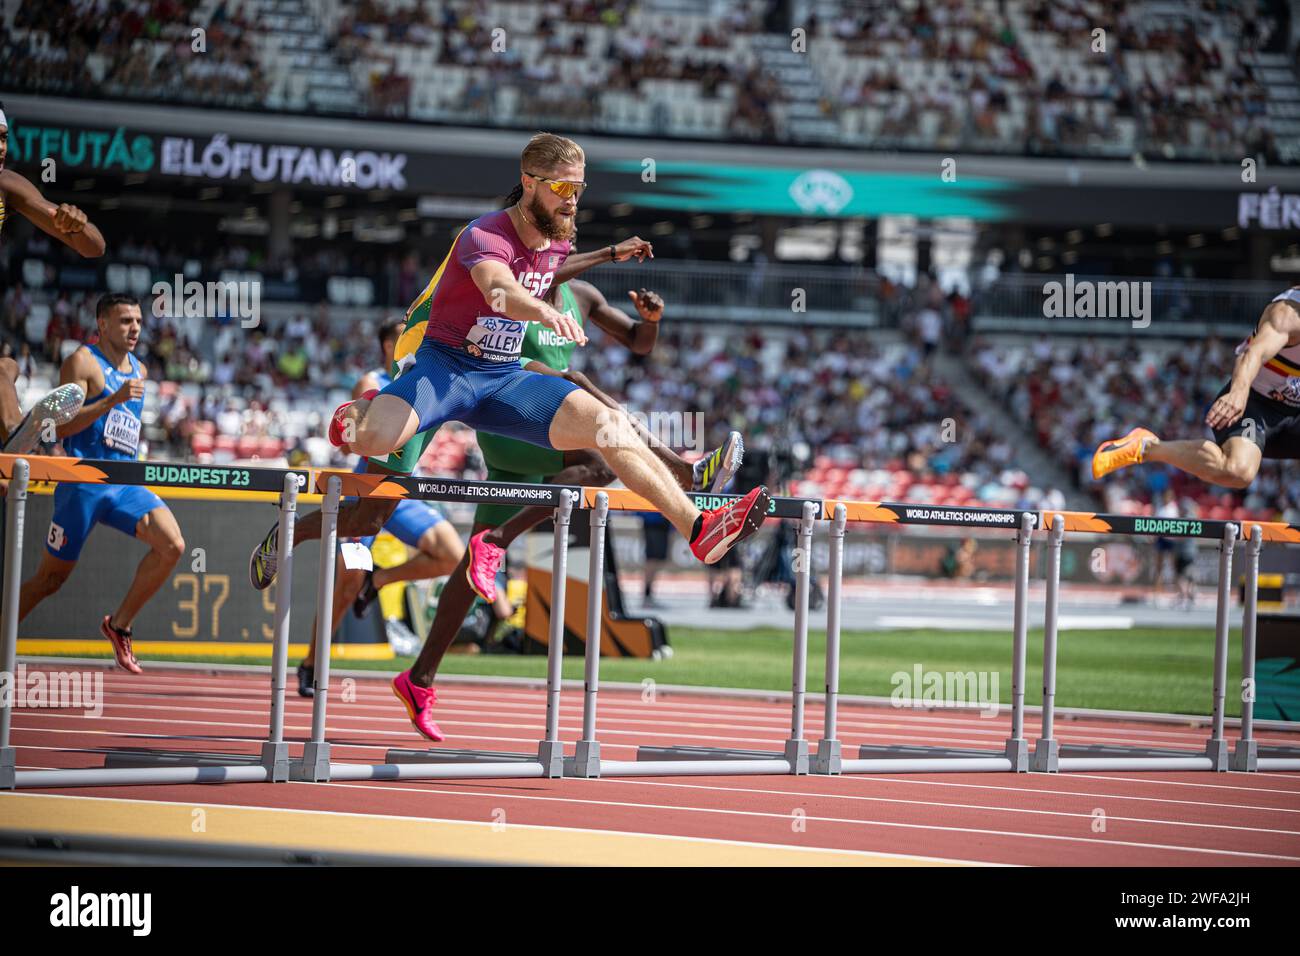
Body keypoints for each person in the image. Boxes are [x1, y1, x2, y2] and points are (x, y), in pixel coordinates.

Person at [327, 133, 769, 739]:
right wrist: (544, 312)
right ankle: (357, 415)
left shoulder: (558, 242)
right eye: (562, 189)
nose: (572, 201)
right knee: (376, 441)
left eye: (579, 190)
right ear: (529, 181)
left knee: (611, 426)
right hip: (446, 369)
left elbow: (561, 271)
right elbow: (502, 290)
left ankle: (698, 526)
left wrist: (609, 255)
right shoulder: (483, 235)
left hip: (505, 383)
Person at [293, 319, 471, 697]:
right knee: (346, 586)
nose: (422, 337)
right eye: (412, 333)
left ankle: (379, 581)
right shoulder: (371, 381)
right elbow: (347, 444)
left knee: (452, 555)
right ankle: (310, 663)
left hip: (403, 497)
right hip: (367, 495)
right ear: (392, 343)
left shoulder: (427, 377)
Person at [16, 294, 186, 674]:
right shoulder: (82, 361)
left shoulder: (140, 369)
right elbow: (55, 429)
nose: (135, 328)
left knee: (173, 545)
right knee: (49, 580)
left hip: (124, 479)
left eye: (139, 321)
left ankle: (120, 625)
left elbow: (124, 431)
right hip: (83, 481)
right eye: (125, 320)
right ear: (103, 324)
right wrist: (112, 400)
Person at [1093, 286, 1300, 487]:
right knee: (1237, 471)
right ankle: (1148, 447)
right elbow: (1253, 354)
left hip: (1295, 412)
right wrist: (1238, 392)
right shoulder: (1287, 314)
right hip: (1255, 403)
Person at [0, 101, 102, 458]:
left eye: (3, 138)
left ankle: (16, 438)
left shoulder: (6, 185)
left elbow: (93, 248)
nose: (0, 147)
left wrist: (76, 224)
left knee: (6, 368)